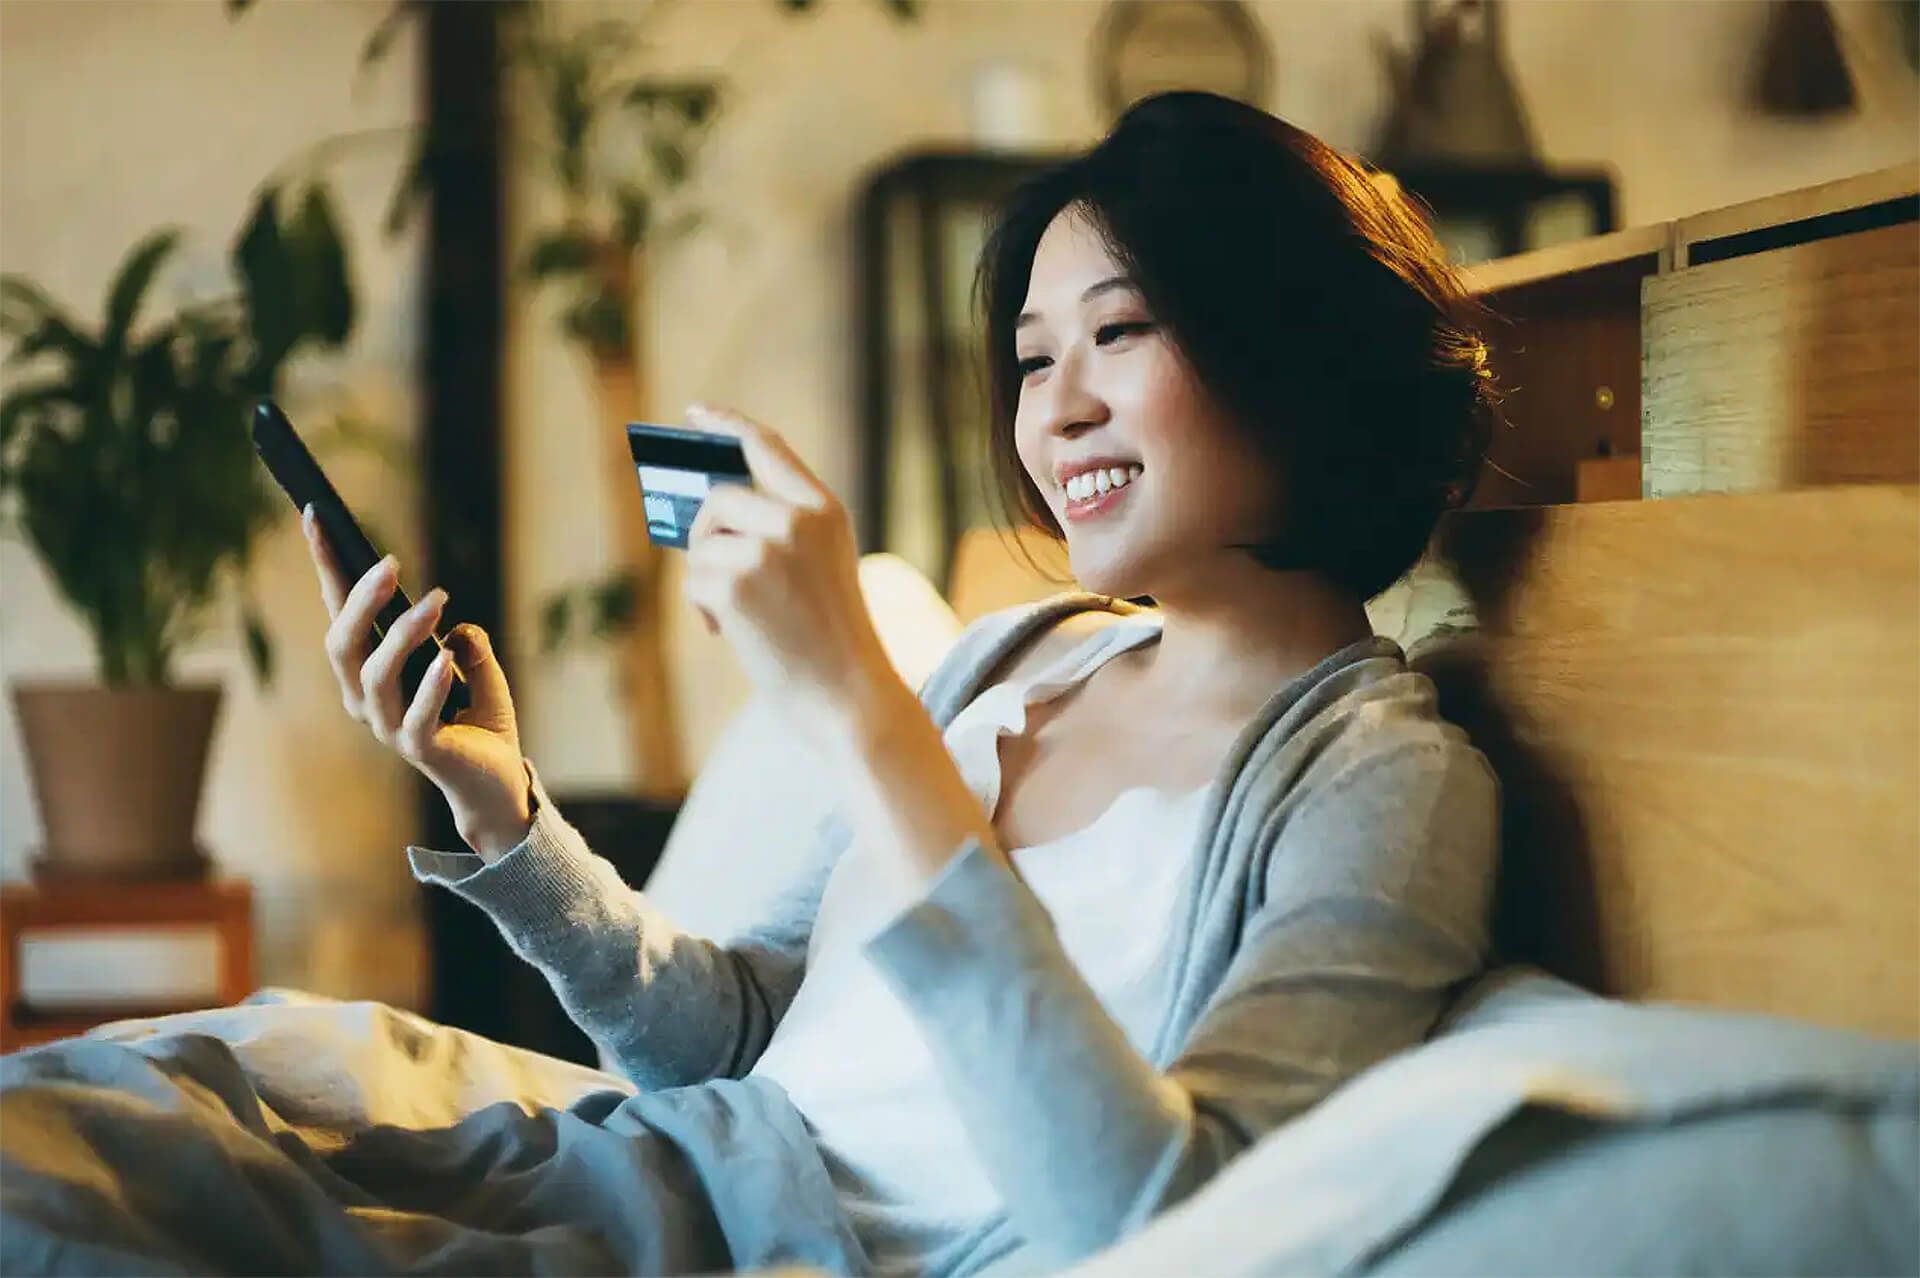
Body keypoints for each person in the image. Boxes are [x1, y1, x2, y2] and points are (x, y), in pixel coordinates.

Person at [0, 91, 1498, 1278]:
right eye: (1034, 359)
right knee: (114, 1096)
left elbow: (1166, 1221)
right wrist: (505, 808)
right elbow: (726, 1038)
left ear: (1296, 353)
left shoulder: (1386, 782)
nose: (1060, 409)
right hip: (669, 1158)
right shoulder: (1015, 663)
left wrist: (857, 702)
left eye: (1120, 332)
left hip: (768, 1238)